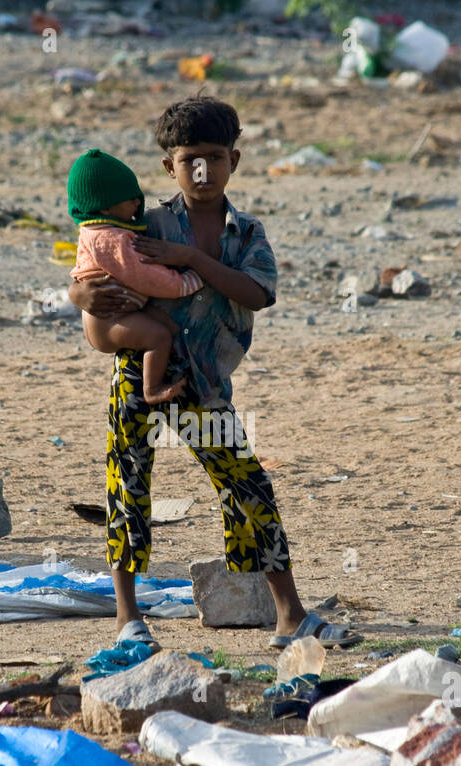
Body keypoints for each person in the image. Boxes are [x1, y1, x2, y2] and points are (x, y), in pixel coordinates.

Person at [68, 95, 362, 652]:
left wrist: (196, 261)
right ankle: (129, 620)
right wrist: (77, 290)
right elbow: (93, 263)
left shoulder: (246, 234)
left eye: (214, 157)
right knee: (128, 486)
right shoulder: (145, 224)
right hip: (138, 375)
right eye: (188, 160)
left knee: (248, 489)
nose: (202, 171)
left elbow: (258, 293)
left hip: (203, 386)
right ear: (168, 167)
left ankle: (289, 615)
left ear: (235, 160)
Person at [66, 147, 203, 404]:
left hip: (112, 317)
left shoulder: (101, 231)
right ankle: (152, 390)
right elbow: (145, 276)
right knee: (159, 337)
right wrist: (187, 282)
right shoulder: (109, 238)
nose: (138, 203)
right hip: (109, 321)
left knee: (165, 330)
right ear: (104, 207)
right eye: (129, 198)